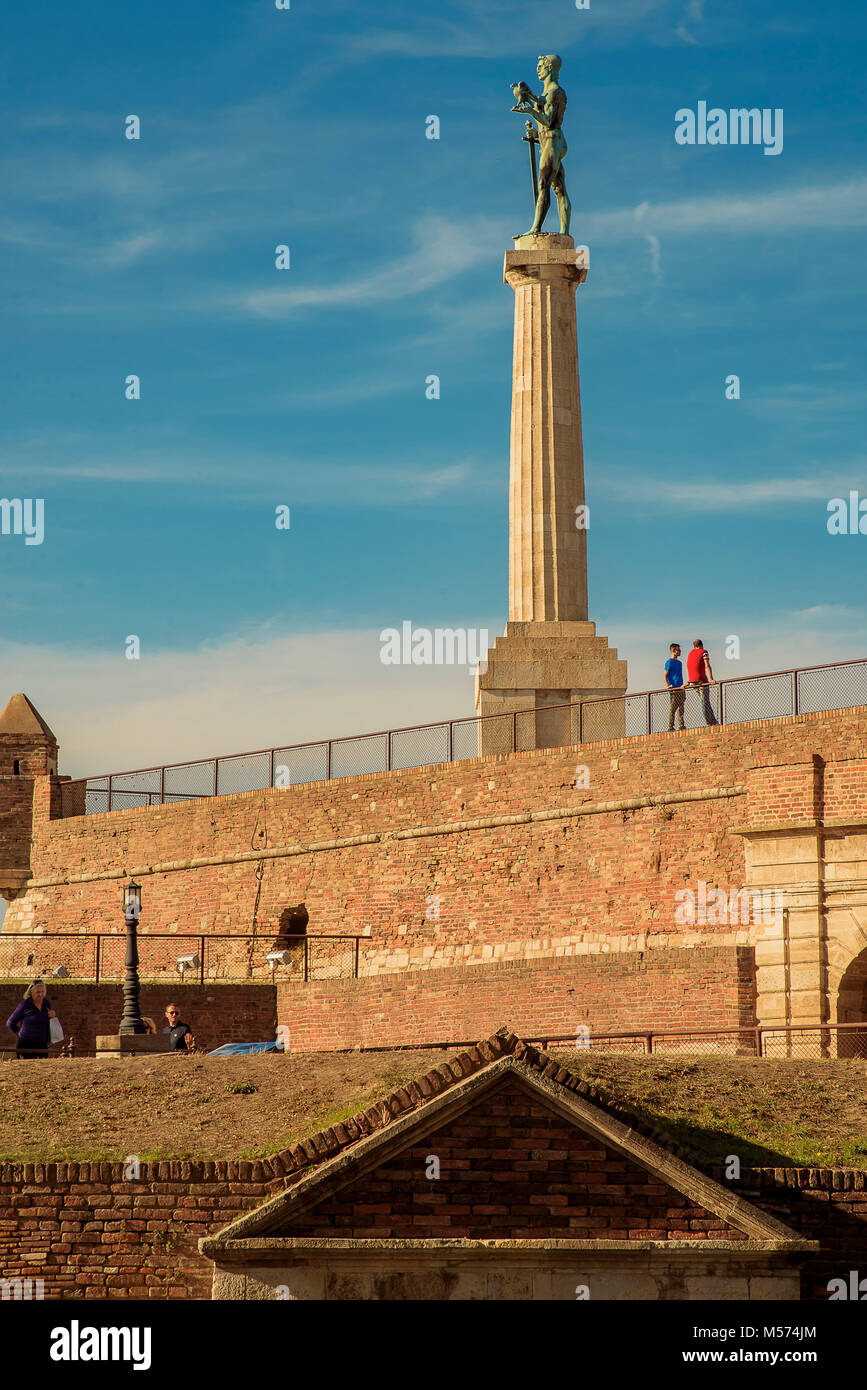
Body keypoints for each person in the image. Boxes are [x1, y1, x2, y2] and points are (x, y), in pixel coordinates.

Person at [511, 54, 572, 235]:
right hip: (547, 142)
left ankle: (536, 228)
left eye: (541, 66)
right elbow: (544, 126)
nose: (538, 69)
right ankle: (564, 232)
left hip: (554, 143)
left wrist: (530, 111)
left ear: (550, 68)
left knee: (543, 185)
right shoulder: (545, 94)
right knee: (559, 188)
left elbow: (550, 122)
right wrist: (535, 134)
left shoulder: (555, 93)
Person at [6, 979, 57, 1059]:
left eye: (43, 992)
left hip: (42, 1045)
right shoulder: (25, 1005)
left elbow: (50, 1021)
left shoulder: (46, 1004)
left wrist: (53, 1015)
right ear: (31, 993)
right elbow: (10, 1022)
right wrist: (19, 1034)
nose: (40, 994)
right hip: (26, 1044)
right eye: (38, 992)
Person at [686, 638, 718, 726]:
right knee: (704, 702)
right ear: (701, 645)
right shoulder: (704, 652)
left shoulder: (690, 653)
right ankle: (710, 723)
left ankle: (714, 721)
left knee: (706, 701)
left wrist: (688, 681)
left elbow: (691, 666)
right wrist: (711, 679)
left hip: (692, 681)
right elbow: (707, 666)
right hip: (701, 680)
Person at [664, 643, 686, 731]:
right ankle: (670, 726)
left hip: (681, 687)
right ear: (674, 651)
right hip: (674, 689)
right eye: (678, 650)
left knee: (681, 708)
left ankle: (681, 725)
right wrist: (668, 686)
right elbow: (665, 675)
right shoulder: (670, 662)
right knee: (673, 708)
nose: (680, 651)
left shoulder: (679, 663)